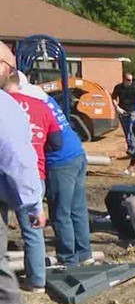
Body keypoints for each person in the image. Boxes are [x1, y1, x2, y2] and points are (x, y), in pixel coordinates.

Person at [0, 42, 52, 304]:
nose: (12, 70)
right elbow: (16, 158)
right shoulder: (5, 106)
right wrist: (34, 203)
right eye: (9, 63)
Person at [18, 72, 92, 268]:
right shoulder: (44, 97)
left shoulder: (26, 103)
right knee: (77, 208)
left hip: (60, 162)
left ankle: (68, 259)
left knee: (60, 212)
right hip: (77, 153)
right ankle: (84, 253)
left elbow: (51, 141)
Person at [2, 73, 60, 292]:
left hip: (7, 174)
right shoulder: (39, 104)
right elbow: (56, 140)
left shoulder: (7, 105)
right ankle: (36, 280)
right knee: (33, 230)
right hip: (33, 173)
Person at [111, 71, 135, 157]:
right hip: (122, 112)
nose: (130, 82)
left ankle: (133, 150)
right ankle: (131, 148)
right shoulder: (118, 88)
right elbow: (113, 98)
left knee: (131, 131)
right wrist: (117, 108)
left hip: (132, 112)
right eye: (128, 80)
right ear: (124, 79)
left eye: (132, 80)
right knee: (127, 132)